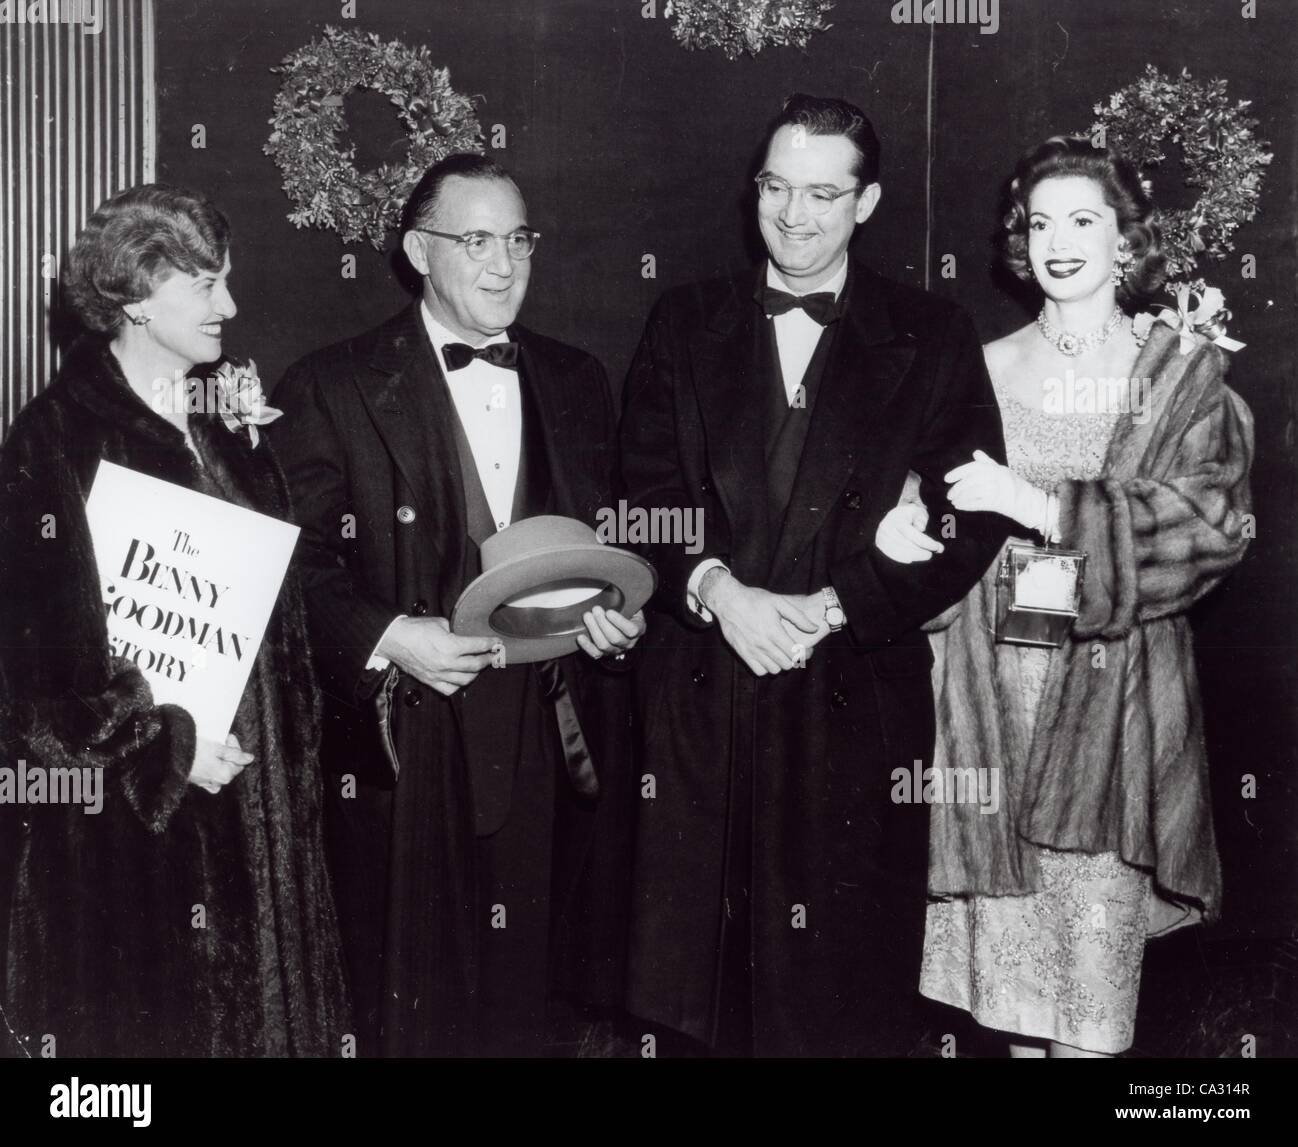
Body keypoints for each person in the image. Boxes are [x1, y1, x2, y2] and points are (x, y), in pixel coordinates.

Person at [619, 94, 1008, 1056]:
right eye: (776, 187)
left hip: (852, 696)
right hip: (704, 700)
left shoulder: (934, 330)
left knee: (837, 989)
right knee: (696, 991)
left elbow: (973, 515)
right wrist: (718, 592)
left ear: (868, 202)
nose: (795, 215)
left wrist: (835, 607)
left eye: (824, 193)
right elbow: (638, 494)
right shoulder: (683, 318)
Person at [874, 136, 1255, 1057]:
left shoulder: (1177, 373)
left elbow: (1209, 530)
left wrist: (1040, 503)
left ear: (1128, 240)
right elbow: (920, 502)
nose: (1058, 240)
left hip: (1113, 720)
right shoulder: (981, 362)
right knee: (1009, 1009)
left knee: (1088, 1015)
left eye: (1083, 220)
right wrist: (896, 530)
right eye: (1040, 222)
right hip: (989, 710)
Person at [272, 153, 644, 1057]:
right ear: (417, 251)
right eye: (475, 239)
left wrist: (615, 624)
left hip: (549, 737)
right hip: (405, 742)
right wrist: (393, 637)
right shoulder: (330, 384)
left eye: (519, 240)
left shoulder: (577, 378)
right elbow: (290, 566)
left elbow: (606, 548)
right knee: (406, 1008)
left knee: (533, 1009)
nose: (503, 263)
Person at [0, 184, 348, 1057]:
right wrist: (165, 748)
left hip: (268, 812)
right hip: (145, 843)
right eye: (205, 285)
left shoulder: (227, 424)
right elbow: (23, 688)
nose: (230, 306)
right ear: (133, 295)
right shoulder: (54, 442)